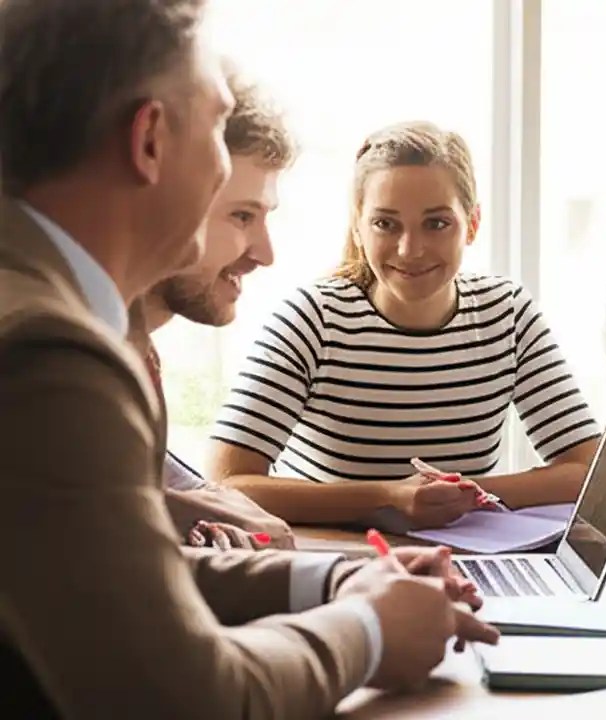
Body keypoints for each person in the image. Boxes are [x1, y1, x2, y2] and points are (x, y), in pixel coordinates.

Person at [0, 2, 496, 716]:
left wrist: (332, 585)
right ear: (150, 140)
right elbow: (185, 699)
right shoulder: (49, 356)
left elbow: (109, 583)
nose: (262, 247)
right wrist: (370, 629)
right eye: (217, 125)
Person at [208, 121, 601, 530]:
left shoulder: (507, 314)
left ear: (472, 224)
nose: (410, 250)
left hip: (466, 563)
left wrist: (462, 493)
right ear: (358, 227)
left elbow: (590, 468)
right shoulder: (312, 320)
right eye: (385, 224)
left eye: (436, 223)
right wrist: (388, 496)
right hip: (340, 565)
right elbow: (225, 484)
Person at [131, 67, 295, 550]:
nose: (265, 254)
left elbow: (156, 481)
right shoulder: (52, 346)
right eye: (242, 216)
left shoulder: (132, 343)